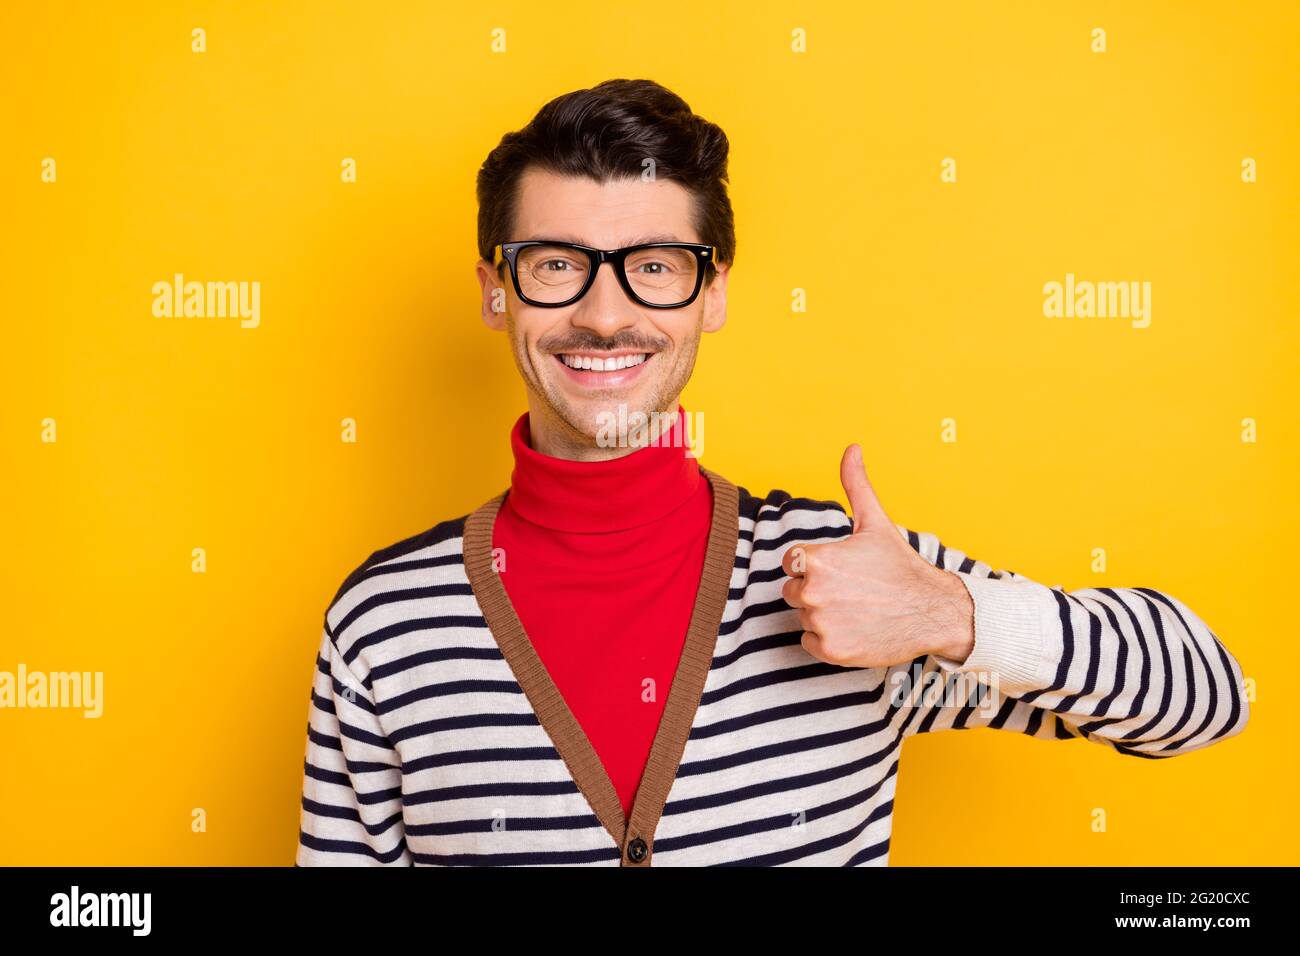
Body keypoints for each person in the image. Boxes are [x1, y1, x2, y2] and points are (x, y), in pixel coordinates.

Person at [295, 78, 1249, 867]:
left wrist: (952, 615)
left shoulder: (851, 578)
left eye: (654, 267)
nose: (602, 313)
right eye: (556, 265)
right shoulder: (386, 621)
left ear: (711, 295)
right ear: (496, 291)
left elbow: (1208, 700)